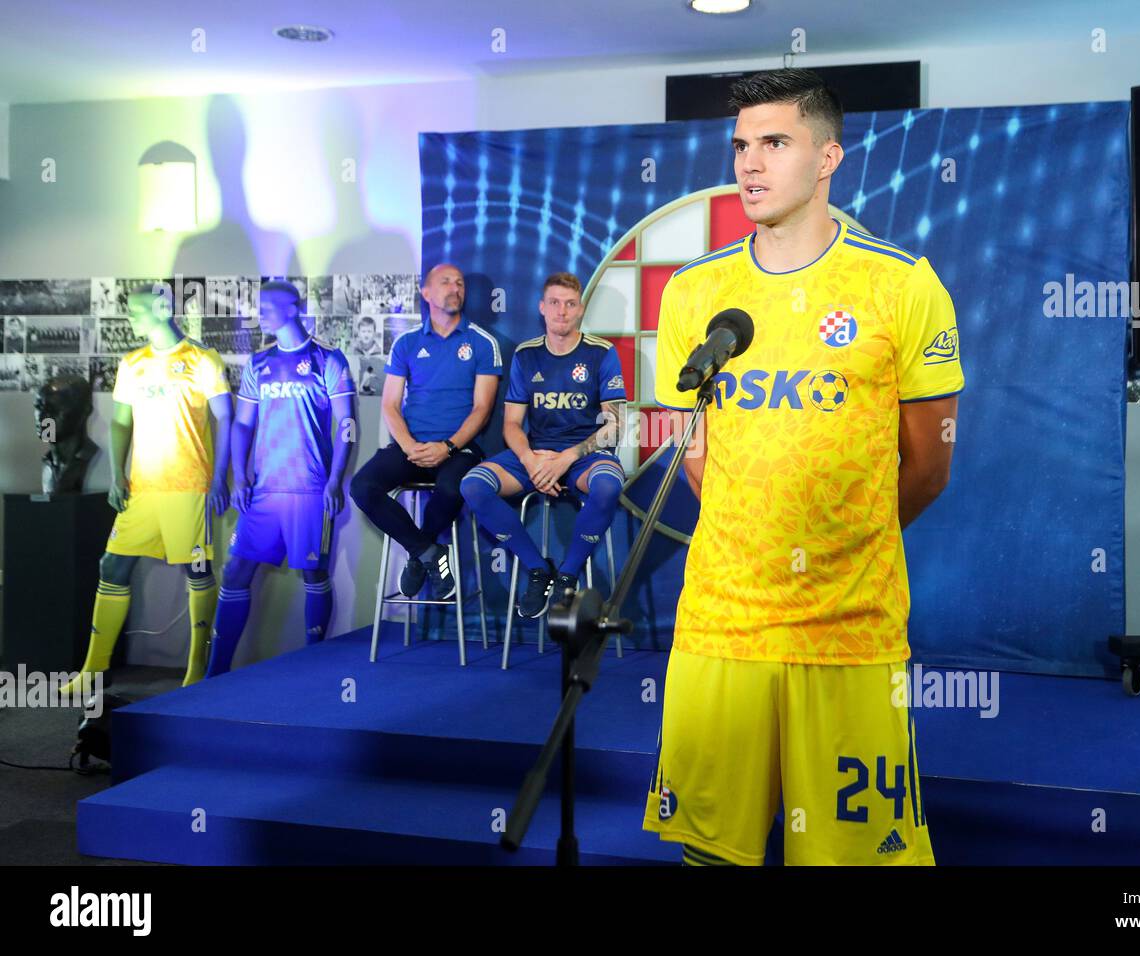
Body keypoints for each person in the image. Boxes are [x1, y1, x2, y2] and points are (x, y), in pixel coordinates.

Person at [643, 69, 964, 866]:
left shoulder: (901, 286)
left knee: (855, 860)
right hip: (721, 625)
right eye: (742, 146)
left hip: (848, 632)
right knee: (712, 854)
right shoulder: (693, 293)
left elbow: (927, 468)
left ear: (828, 157)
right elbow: (696, 453)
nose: (750, 164)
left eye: (775, 143)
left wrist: (842, 547)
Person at [60, 283, 232, 695]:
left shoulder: (202, 359)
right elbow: (121, 423)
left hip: (189, 486)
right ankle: (92, 669)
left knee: (197, 569)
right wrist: (118, 474)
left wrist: (220, 476)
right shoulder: (132, 363)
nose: (131, 319)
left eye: (136, 311)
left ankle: (197, 666)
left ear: (161, 308)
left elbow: (226, 419)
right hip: (142, 488)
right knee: (112, 566)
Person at [205, 281, 357, 676]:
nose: (261, 314)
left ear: (293, 307)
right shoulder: (259, 364)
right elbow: (241, 425)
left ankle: (312, 666)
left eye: (268, 306)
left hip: (310, 488)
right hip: (264, 491)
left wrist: (335, 479)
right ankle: (215, 673)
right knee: (236, 571)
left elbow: (347, 423)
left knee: (313, 571)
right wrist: (239, 477)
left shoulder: (328, 360)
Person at [460, 272, 626, 618]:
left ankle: (568, 575)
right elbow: (511, 424)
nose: (561, 312)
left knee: (609, 484)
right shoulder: (526, 354)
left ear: (580, 309)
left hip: (582, 456)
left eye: (569, 304)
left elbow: (615, 425)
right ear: (542, 308)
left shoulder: (602, 352)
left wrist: (567, 458)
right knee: (473, 485)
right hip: (535, 453)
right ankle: (538, 569)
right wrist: (532, 462)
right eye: (554, 303)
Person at [349, 263, 501, 598]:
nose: (455, 288)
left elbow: (482, 409)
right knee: (362, 487)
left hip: (459, 448)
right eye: (446, 282)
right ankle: (429, 552)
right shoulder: (406, 342)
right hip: (411, 446)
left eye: (460, 283)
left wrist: (447, 447)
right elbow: (390, 404)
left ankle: (420, 556)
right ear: (426, 292)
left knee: (450, 487)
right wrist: (409, 447)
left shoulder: (482, 342)